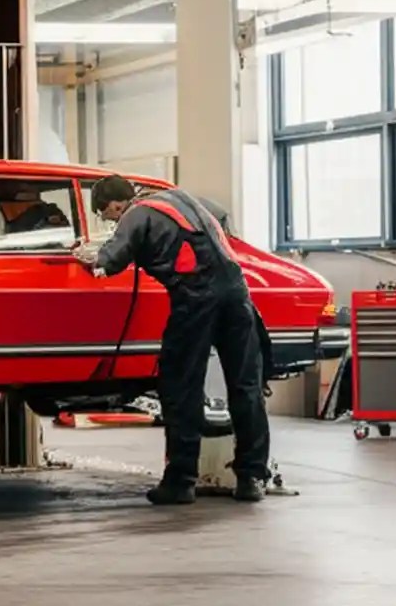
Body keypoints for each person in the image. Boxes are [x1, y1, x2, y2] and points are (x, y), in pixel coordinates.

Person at [75, 175, 271, 504]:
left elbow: (108, 261)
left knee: (181, 386)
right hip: (239, 295)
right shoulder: (184, 198)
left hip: (196, 299)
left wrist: (90, 256)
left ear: (113, 205)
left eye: (107, 216)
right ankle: (252, 478)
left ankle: (180, 482)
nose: (111, 221)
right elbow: (221, 218)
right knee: (246, 386)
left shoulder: (135, 214)